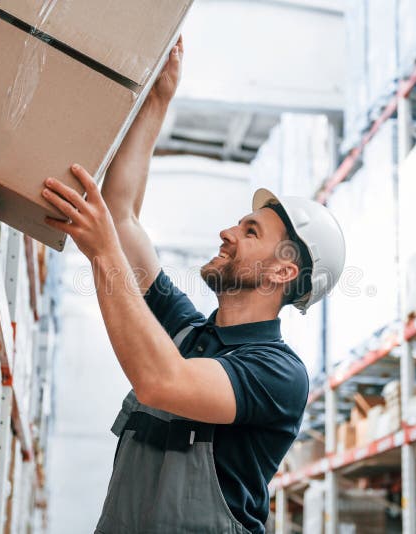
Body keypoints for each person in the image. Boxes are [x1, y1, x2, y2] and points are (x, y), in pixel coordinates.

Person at [40, 37, 346, 534]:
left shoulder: (277, 374)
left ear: (282, 271)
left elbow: (163, 383)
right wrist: (159, 97)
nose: (227, 232)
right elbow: (121, 218)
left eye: (250, 232)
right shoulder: (186, 333)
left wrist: (102, 253)